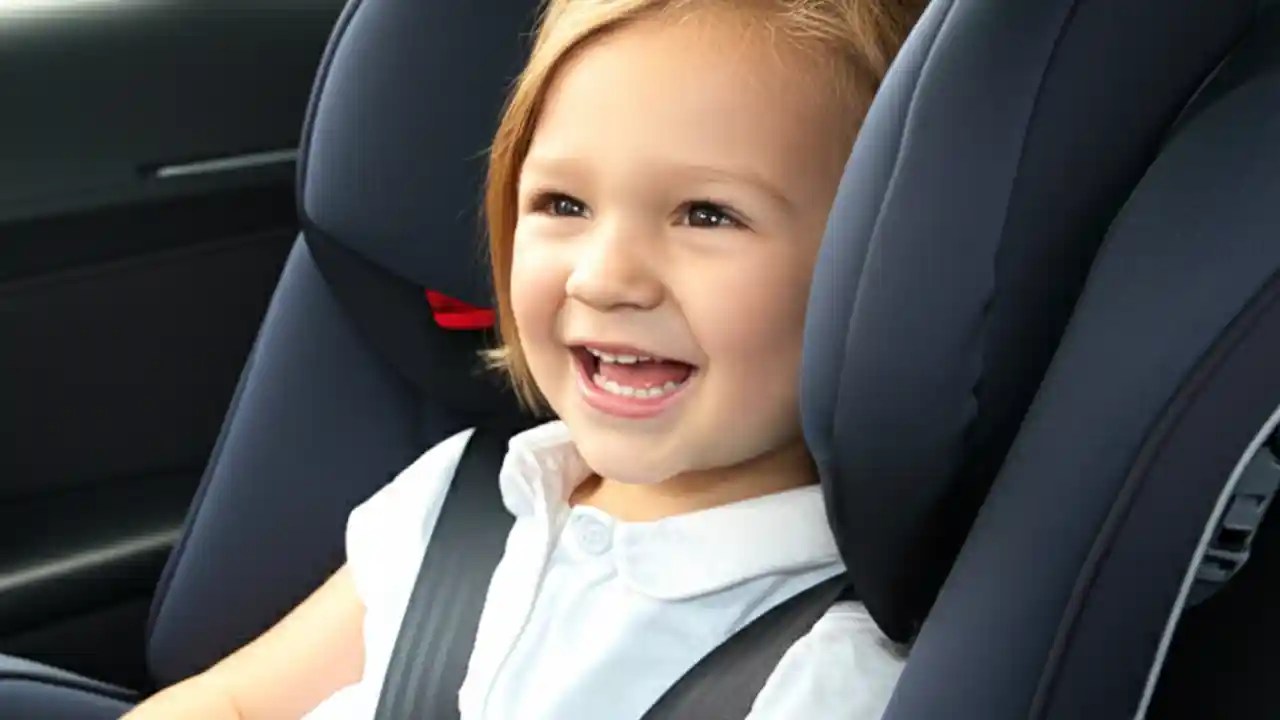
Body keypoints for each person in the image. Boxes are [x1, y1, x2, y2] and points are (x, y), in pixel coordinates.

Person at [123, 0, 924, 717]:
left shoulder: (825, 674)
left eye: (707, 214)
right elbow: (234, 703)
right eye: (563, 204)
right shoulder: (463, 501)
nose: (604, 277)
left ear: (873, 270)